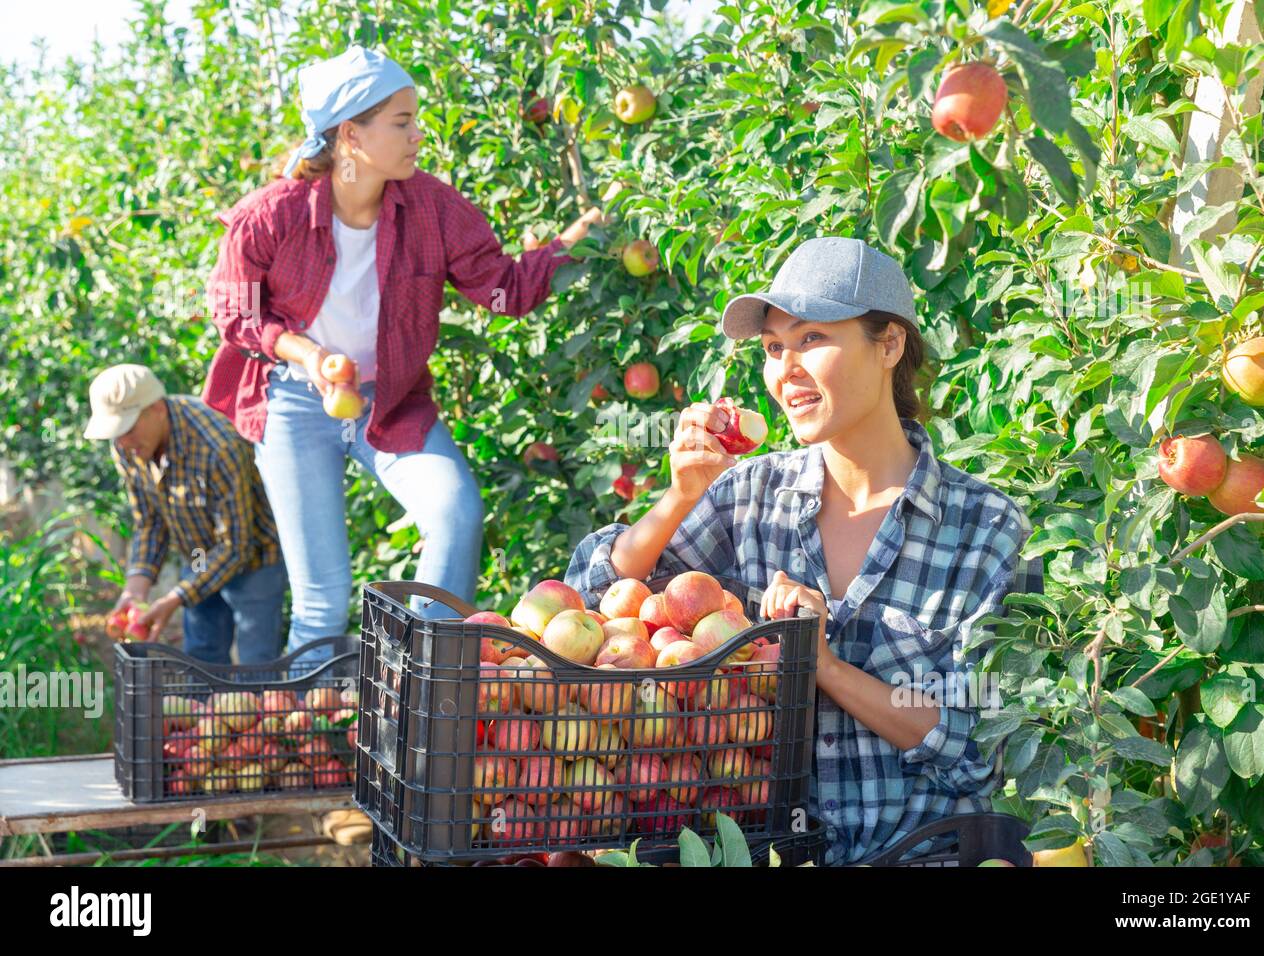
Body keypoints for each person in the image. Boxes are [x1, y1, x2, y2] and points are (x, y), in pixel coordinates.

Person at [564, 237, 1044, 865]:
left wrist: (824, 667)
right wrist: (677, 498)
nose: (785, 369)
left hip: (924, 855)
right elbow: (591, 599)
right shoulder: (752, 495)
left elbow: (989, 749)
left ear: (890, 345)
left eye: (811, 338)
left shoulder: (984, 527)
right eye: (772, 348)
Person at [201, 47, 602, 664]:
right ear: (350, 135)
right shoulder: (272, 215)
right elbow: (235, 311)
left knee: (456, 511)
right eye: (402, 122)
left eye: (416, 119)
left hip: (390, 404)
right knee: (322, 600)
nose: (419, 134)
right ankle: (310, 738)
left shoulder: (430, 208)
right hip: (292, 402)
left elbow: (503, 289)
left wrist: (570, 246)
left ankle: (420, 685)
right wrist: (307, 355)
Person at [85, 364, 287, 665]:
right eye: (116, 433)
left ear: (156, 408)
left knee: (256, 666)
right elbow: (150, 520)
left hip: (255, 559)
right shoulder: (129, 448)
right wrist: (136, 586)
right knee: (202, 659)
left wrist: (175, 598)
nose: (122, 442)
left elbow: (237, 546)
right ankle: (207, 711)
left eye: (127, 429)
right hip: (198, 554)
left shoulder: (218, 445)